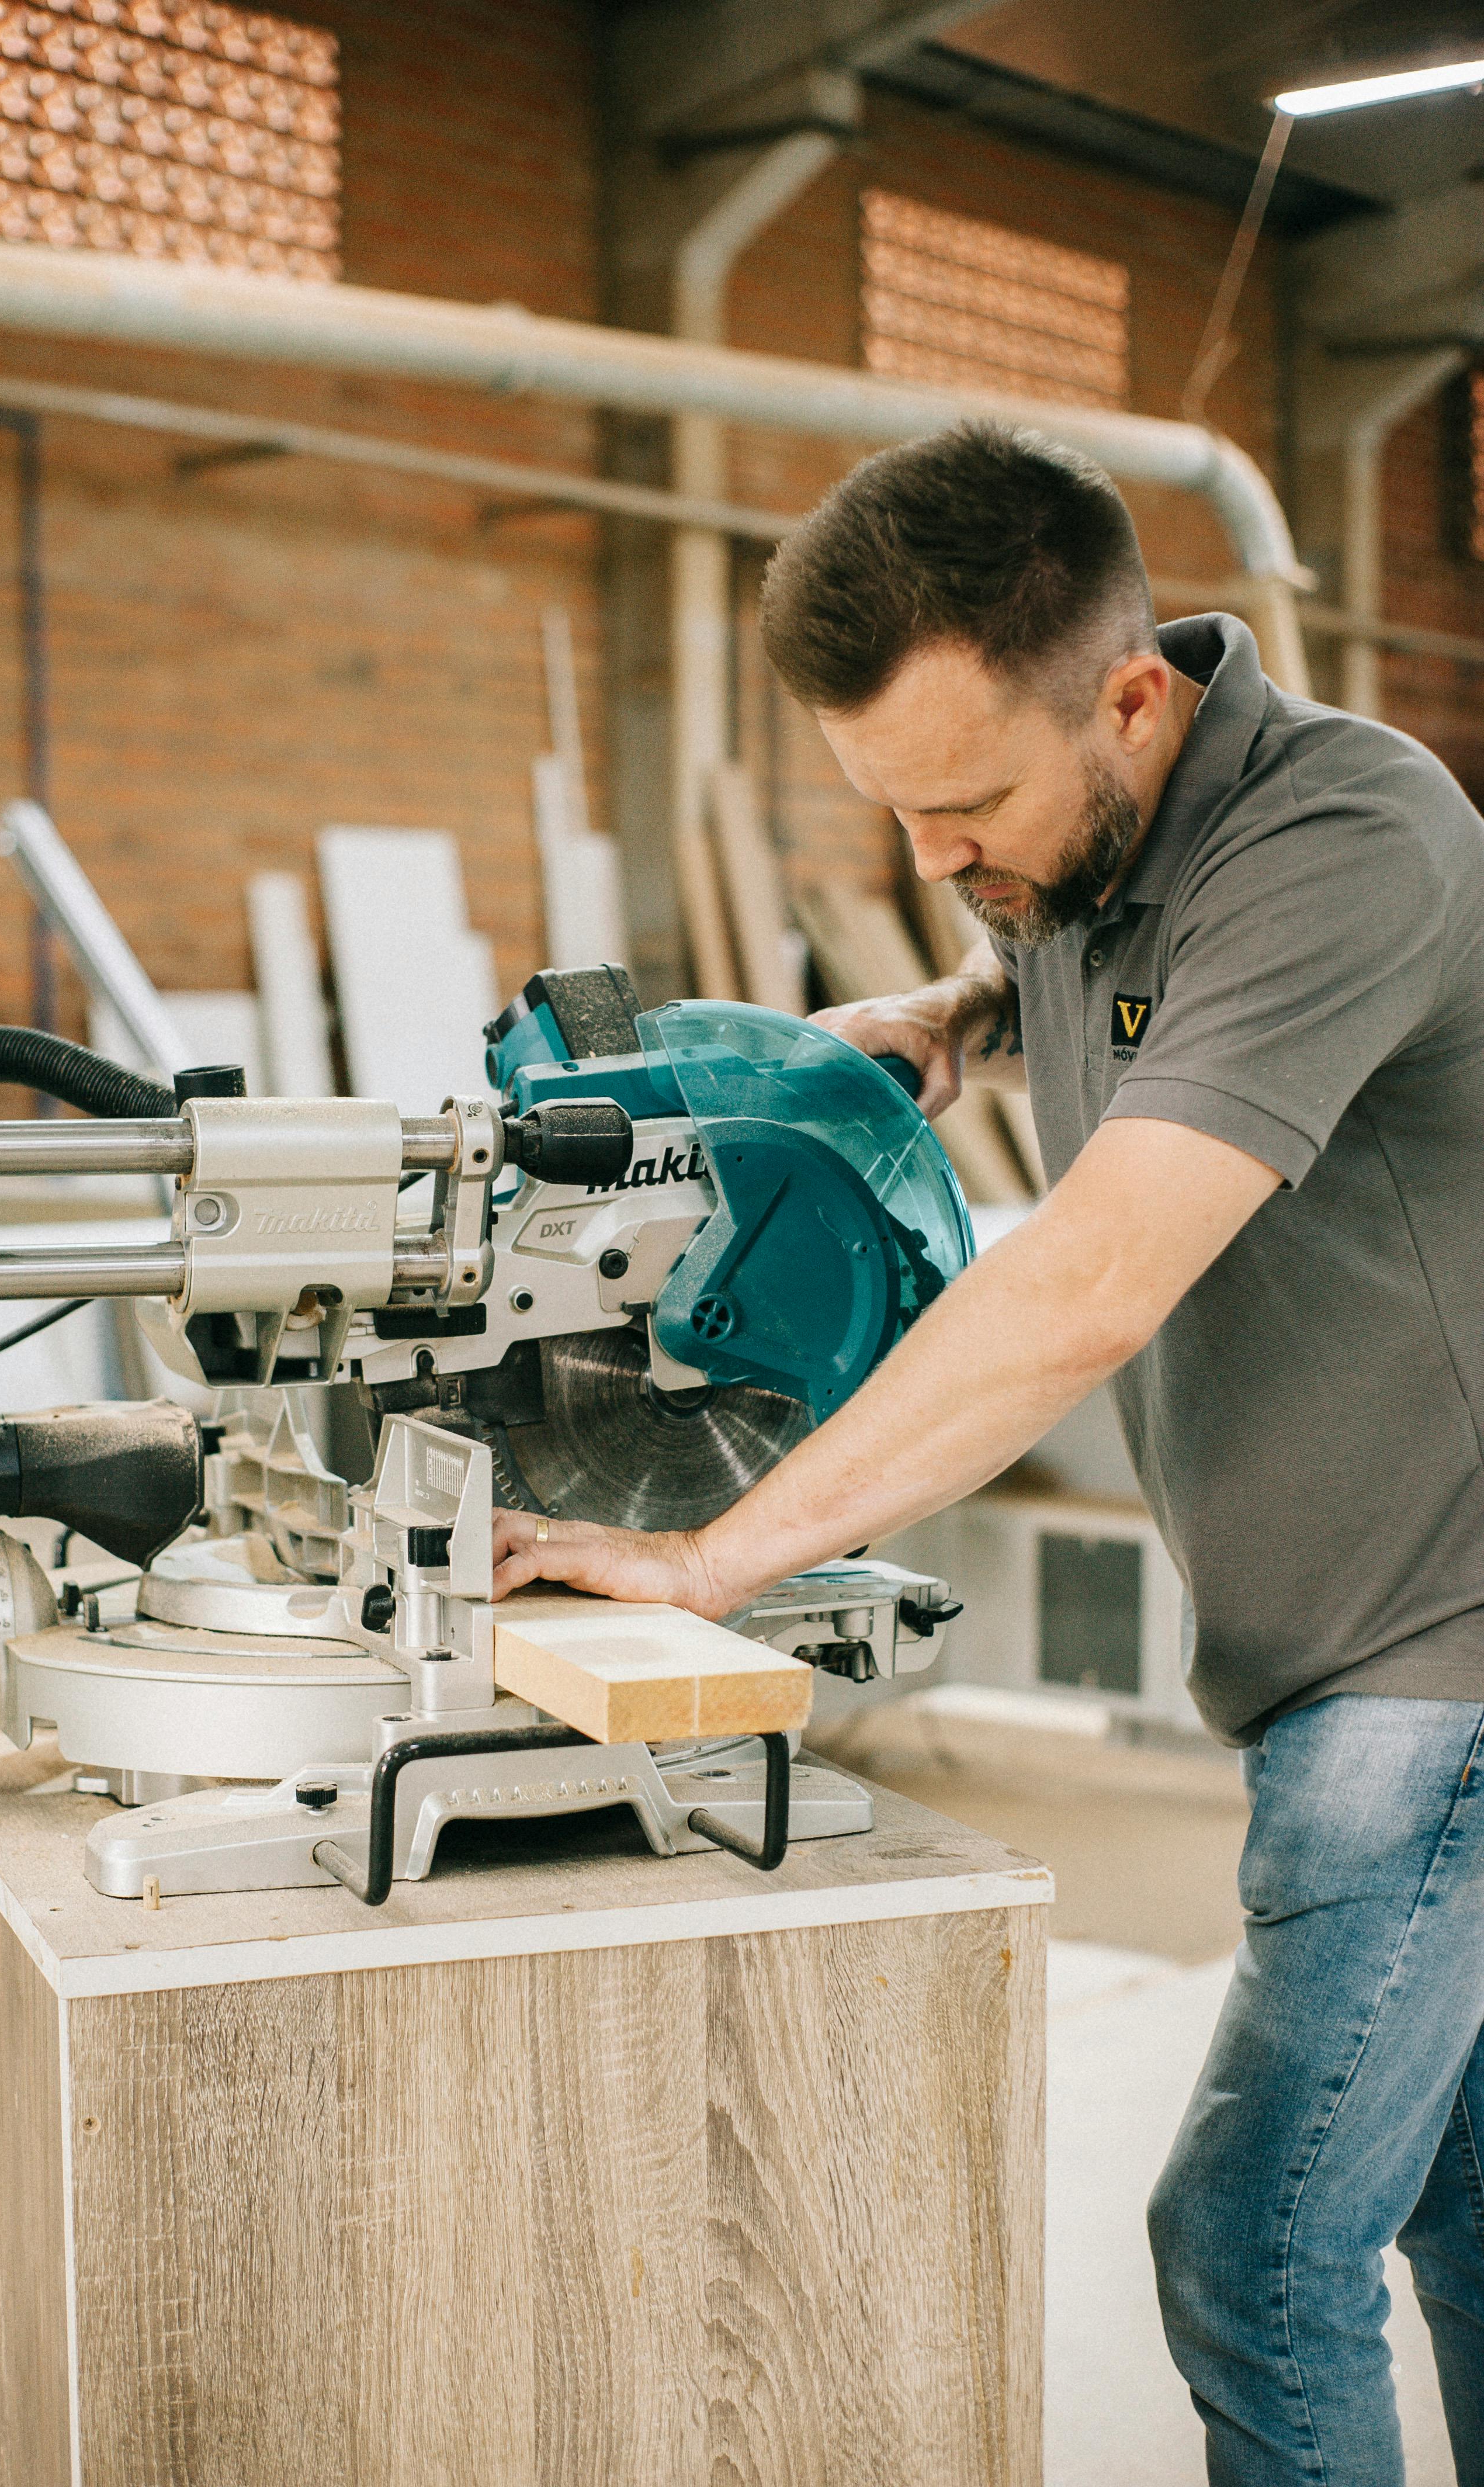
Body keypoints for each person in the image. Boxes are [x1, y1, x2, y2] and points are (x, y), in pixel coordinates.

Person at [491, 422, 1484, 2486]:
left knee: (1251, 2249)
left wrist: (711, 1564)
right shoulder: (1087, 845)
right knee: (1462, 2212)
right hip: (1345, 1649)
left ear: (1132, 693)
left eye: (965, 809)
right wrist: (952, 1017)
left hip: (1440, 1663)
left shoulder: (1347, 835)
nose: (944, 854)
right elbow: (1064, 970)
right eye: (898, 819)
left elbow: (1089, 1283)